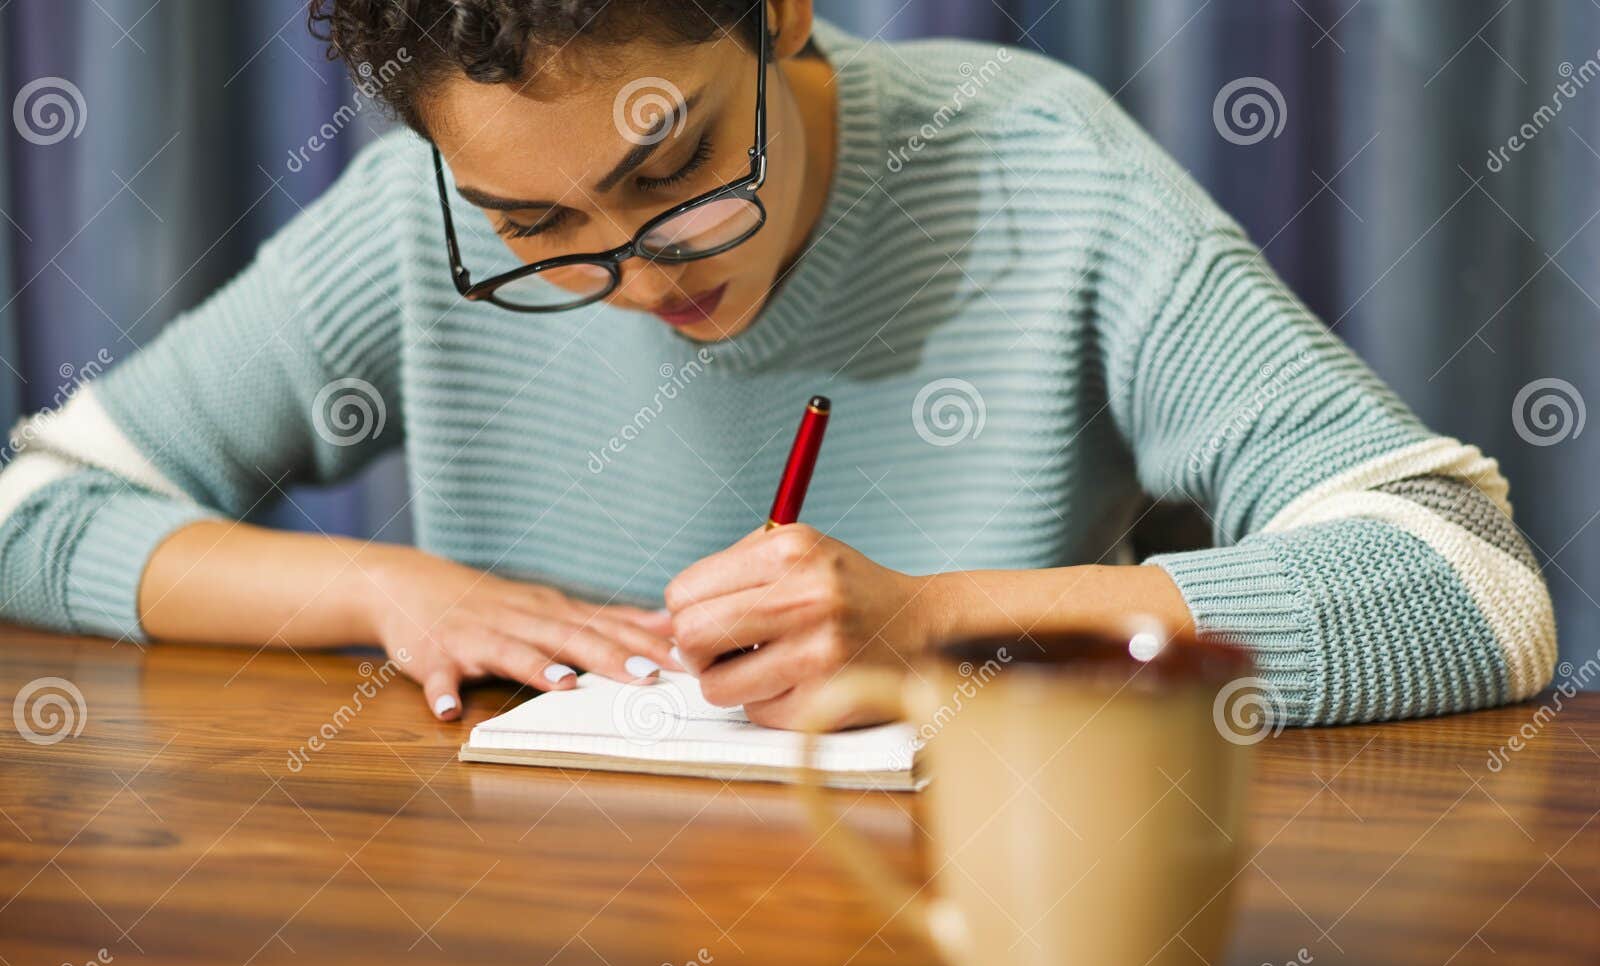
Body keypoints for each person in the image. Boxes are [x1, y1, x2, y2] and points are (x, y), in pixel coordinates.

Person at [0, 0, 1555, 730]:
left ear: (780, 14)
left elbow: (1466, 581)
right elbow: (37, 508)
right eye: (538, 223)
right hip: (539, 954)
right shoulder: (418, 221)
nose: (638, 270)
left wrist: (941, 622)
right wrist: (388, 589)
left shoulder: (1036, 164)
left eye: (675, 169)